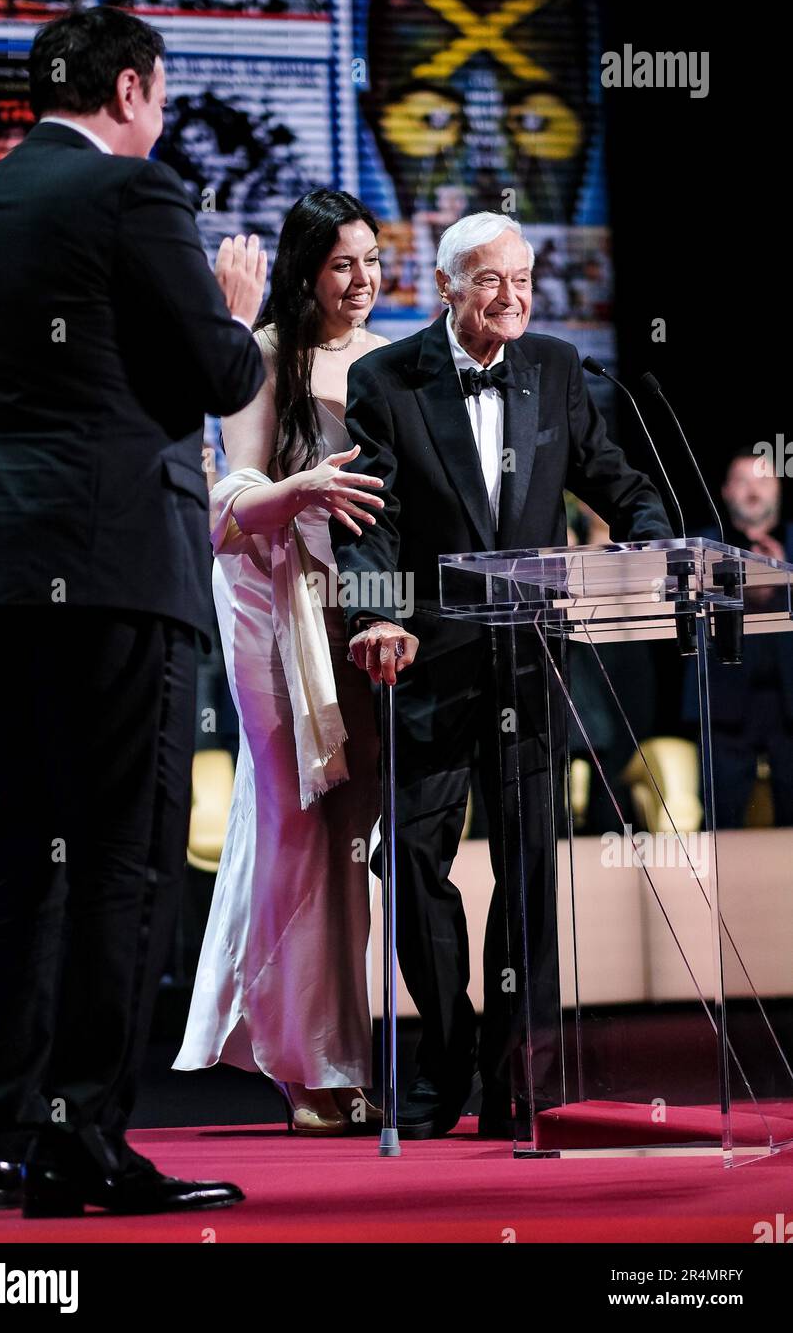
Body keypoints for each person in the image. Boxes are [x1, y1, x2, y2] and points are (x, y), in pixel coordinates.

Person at [0, 5, 266, 1216]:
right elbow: (215, 377)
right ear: (130, 89)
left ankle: (3, 1138)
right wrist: (235, 303)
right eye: (162, 96)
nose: (162, 119)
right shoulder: (135, 194)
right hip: (111, 570)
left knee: (23, 856)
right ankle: (86, 1147)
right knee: (123, 859)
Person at [331, 211, 671, 1138]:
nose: (513, 295)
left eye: (523, 278)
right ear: (445, 286)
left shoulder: (558, 368)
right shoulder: (385, 380)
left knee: (528, 875)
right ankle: (444, 1062)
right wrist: (378, 614)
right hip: (425, 664)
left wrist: (658, 540)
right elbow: (373, 524)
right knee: (409, 862)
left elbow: (609, 476)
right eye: (490, 280)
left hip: (529, 666)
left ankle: (517, 1076)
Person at [174, 189, 389, 1135]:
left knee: (353, 837)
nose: (365, 279)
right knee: (297, 821)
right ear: (305, 273)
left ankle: (337, 1051)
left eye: (374, 259)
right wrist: (301, 487)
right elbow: (228, 506)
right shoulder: (263, 356)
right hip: (275, 603)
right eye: (344, 263)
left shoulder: (391, 362)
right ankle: (307, 1068)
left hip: (369, 609)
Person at [681, 448, 793, 827]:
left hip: (788, 699)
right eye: (742, 481)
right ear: (726, 492)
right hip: (723, 700)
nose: (752, 491)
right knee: (720, 823)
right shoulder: (700, 549)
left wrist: (783, 585)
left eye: (762, 480)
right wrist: (737, 590)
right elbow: (677, 611)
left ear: (778, 488)